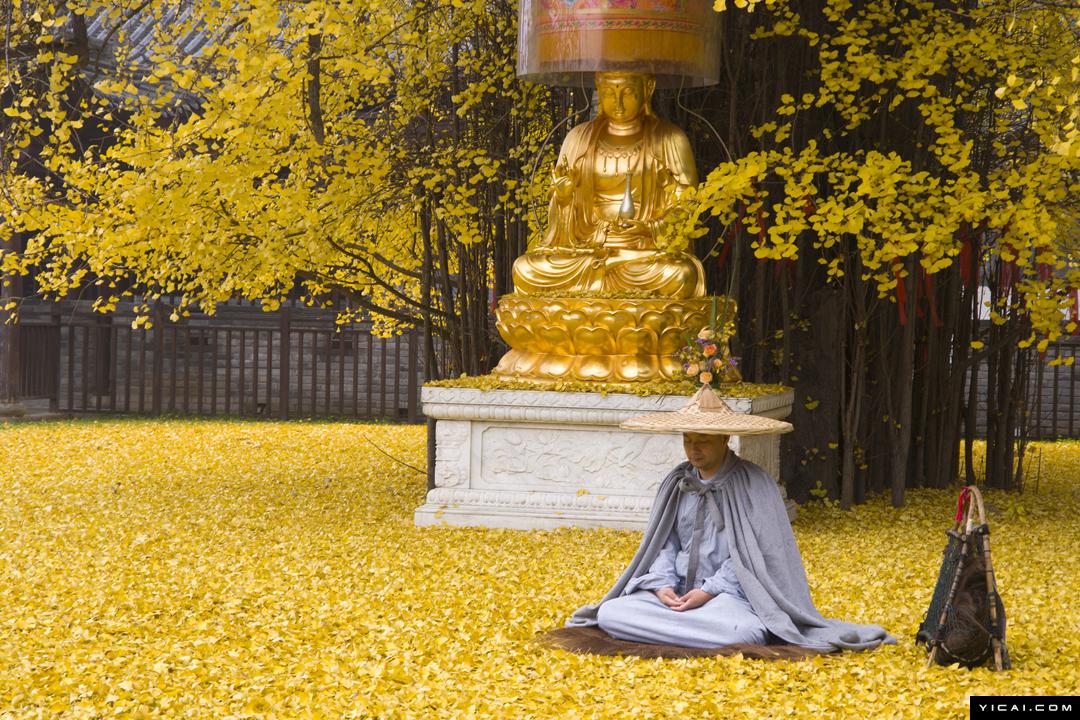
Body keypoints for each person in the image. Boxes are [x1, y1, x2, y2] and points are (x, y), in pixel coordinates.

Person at [568, 385, 897, 653]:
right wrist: (663, 587)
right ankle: (684, 629)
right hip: (673, 596)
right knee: (612, 613)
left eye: (703, 441)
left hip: (728, 600)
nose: (693, 450)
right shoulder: (677, 482)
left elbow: (758, 559)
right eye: (688, 440)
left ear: (726, 438)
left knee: (746, 630)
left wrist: (708, 592)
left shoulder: (754, 483)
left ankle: (681, 631)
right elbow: (663, 544)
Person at [511, 71, 705, 298]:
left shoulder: (669, 139)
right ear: (598, 89)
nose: (618, 103)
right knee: (525, 269)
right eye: (609, 93)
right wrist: (563, 197)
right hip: (588, 247)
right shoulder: (578, 138)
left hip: (643, 252)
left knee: (679, 274)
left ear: (648, 89)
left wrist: (650, 228)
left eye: (628, 92)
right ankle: (605, 277)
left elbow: (688, 202)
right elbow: (561, 216)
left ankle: (604, 279)